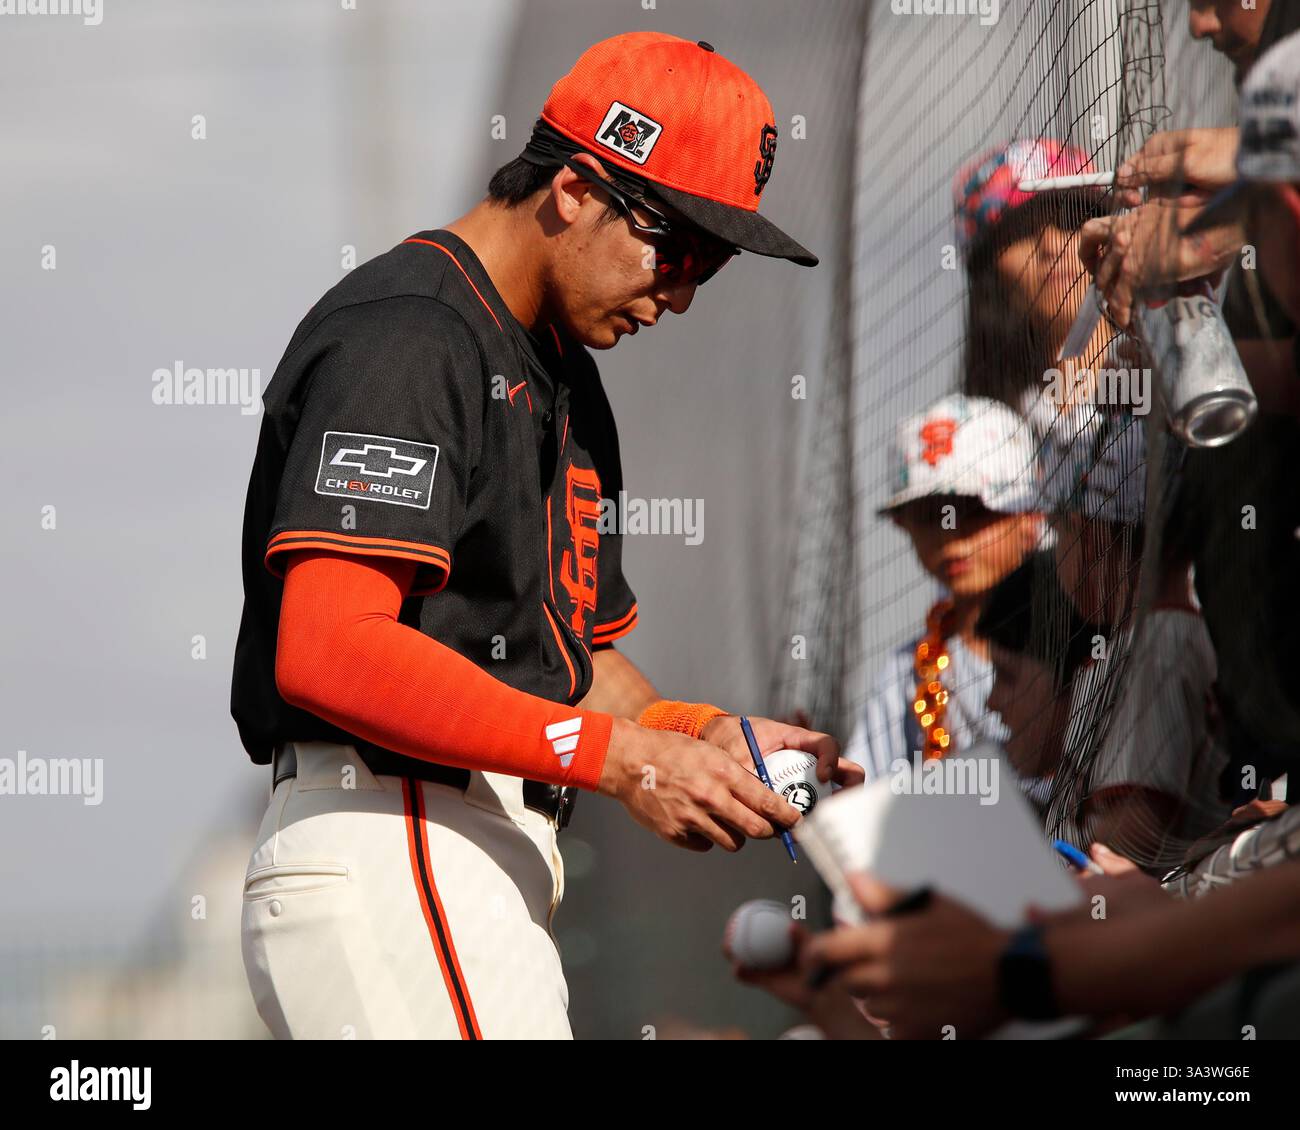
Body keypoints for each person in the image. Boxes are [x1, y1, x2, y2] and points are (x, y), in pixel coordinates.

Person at [230, 31, 859, 1040]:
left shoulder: (563, 375)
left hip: (465, 853)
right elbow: (329, 647)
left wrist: (688, 735)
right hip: (397, 829)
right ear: (573, 188)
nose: (684, 288)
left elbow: (570, 656)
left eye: (715, 261)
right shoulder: (411, 335)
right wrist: (618, 760)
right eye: (678, 243)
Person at [843, 394, 1042, 780]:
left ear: (1029, 512)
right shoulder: (907, 670)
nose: (950, 537)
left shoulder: (1080, 646)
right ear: (902, 524)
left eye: (972, 510)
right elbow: (866, 789)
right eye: (928, 516)